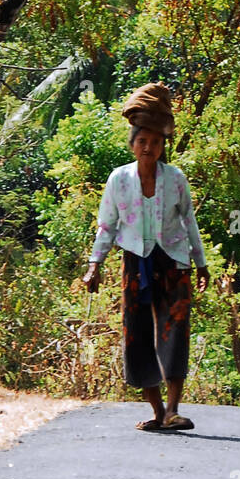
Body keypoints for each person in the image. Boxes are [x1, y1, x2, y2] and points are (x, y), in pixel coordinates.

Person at [83, 83, 209, 431]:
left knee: (175, 332)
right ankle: (156, 411)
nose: (149, 147)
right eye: (143, 141)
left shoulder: (176, 179)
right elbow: (106, 226)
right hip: (136, 264)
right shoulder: (118, 180)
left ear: (163, 145)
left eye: (155, 142)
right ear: (132, 144)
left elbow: (189, 221)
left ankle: (172, 410)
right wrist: (94, 265)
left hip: (173, 263)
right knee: (137, 334)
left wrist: (201, 263)